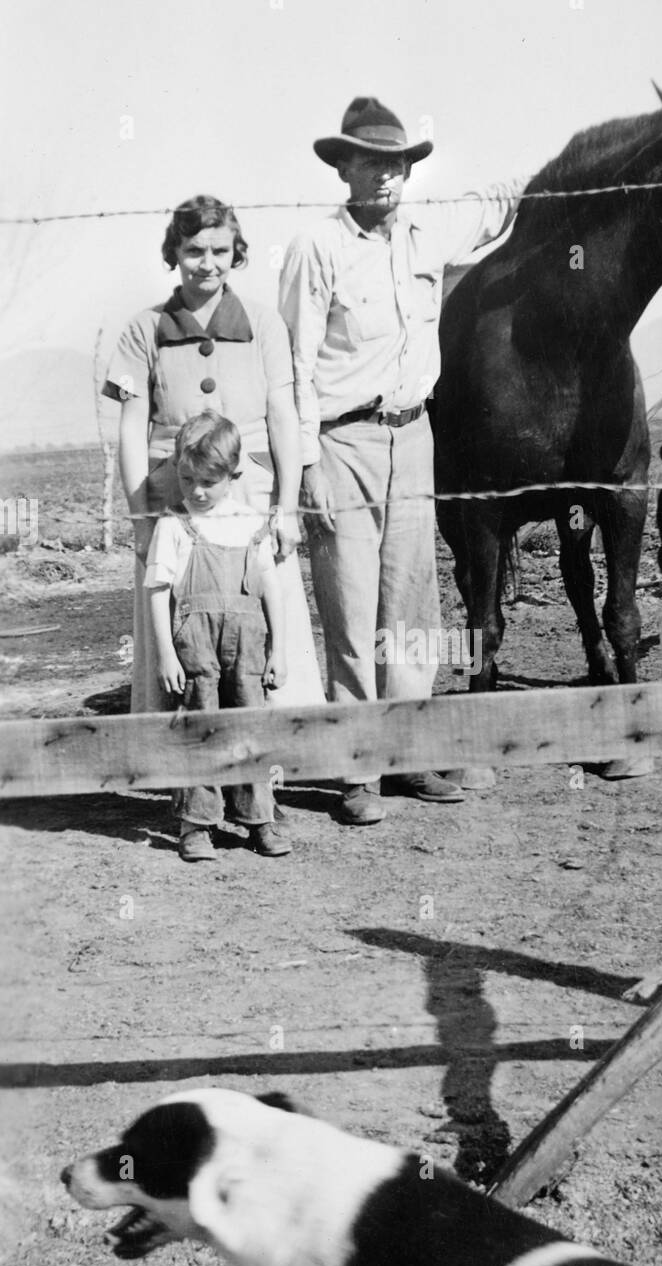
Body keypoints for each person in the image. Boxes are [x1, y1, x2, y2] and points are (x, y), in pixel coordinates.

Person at [280, 97, 525, 825]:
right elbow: (295, 365)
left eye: (396, 162)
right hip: (341, 443)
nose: (384, 175)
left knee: (411, 601)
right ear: (344, 167)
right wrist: (304, 467)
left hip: (413, 437)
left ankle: (411, 751)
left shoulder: (428, 232)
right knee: (351, 604)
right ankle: (358, 768)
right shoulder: (313, 248)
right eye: (370, 161)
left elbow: (501, 202)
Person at [104, 194, 324, 716]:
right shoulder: (143, 330)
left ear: (236, 252)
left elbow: (282, 416)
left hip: (250, 495)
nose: (209, 263)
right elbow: (132, 429)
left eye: (221, 250)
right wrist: (140, 519)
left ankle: (277, 755)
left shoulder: (264, 324)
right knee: (174, 614)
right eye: (195, 251)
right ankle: (177, 764)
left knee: (268, 613)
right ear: (174, 253)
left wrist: (287, 507)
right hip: (175, 497)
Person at [145, 411, 291, 862]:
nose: (197, 492)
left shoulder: (252, 524)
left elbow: (270, 589)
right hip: (196, 649)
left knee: (250, 727)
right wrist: (166, 654)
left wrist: (279, 651)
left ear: (234, 476)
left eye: (208, 481)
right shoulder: (174, 525)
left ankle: (259, 820)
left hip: (249, 647)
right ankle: (196, 824)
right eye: (187, 479)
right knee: (199, 726)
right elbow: (157, 590)